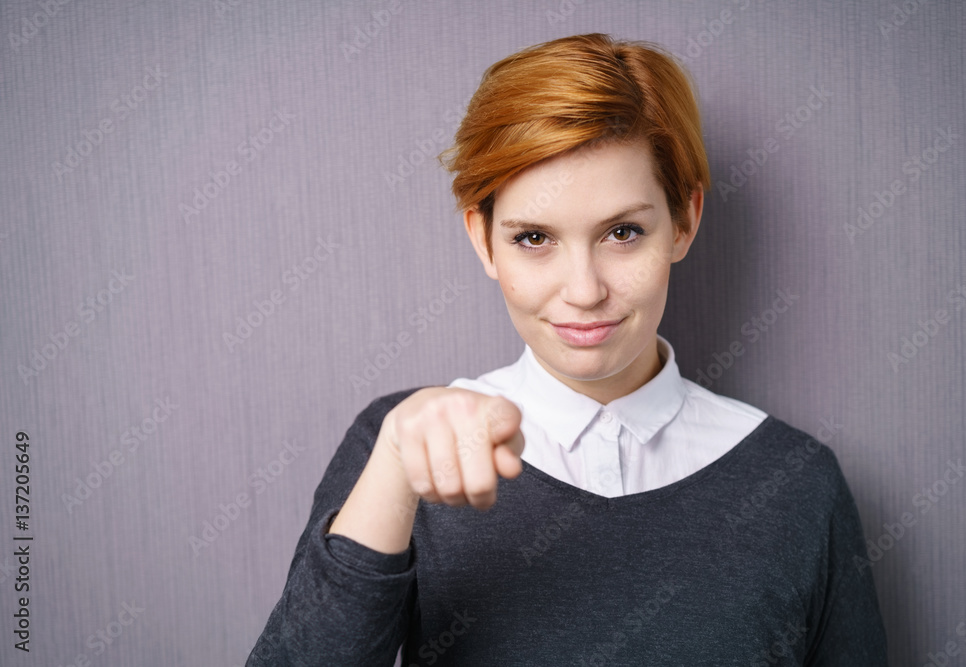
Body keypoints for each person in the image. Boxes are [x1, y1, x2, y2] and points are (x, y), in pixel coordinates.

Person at [247, 33, 888, 665]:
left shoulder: (798, 483)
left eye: (623, 232)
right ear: (483, 239)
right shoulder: (398, 447)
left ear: (684, 221)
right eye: (534, 238)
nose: (583, 291)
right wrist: (393, 470)